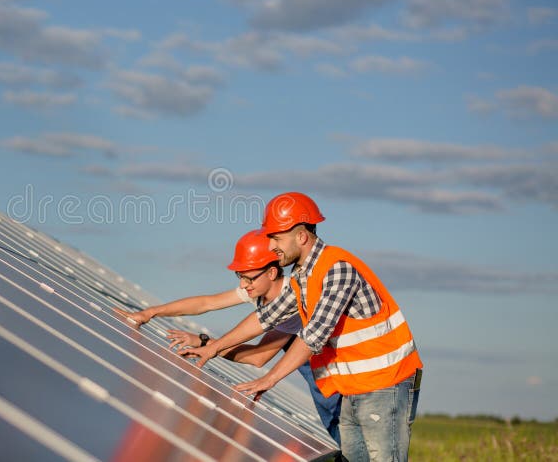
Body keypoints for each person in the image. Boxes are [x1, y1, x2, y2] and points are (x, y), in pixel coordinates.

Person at [183, 193, 423, 462]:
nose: (271, 246)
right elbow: (265, 318)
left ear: (301, 237)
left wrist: (269, 379)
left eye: (276, 238)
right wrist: (213, 347)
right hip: (355, 387)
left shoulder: (337, 270)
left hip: (386, 384)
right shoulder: (302, 278)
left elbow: (313, 337)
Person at [113, 229, 342, 446]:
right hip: (319, 379)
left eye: (248, 278)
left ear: (272, 273)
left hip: (336, 381)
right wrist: (150, 313)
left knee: (348, 438)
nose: (243, 285)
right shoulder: (259, 289)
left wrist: (205, 343)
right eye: (240, 276)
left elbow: (257, 357)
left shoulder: (291, 302)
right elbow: (206, 303)